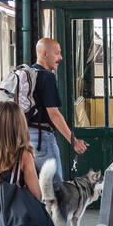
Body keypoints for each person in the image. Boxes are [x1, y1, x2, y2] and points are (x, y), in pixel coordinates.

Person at [27, 37, 88, 180]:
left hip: (25, 137)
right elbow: (54, 114)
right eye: (57, 53)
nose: (60, 57)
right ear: (44, 54)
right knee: (54, 191)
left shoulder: (30, 74)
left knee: (35, 189)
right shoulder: (47, 76)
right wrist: (73, 141)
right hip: (42, 140)